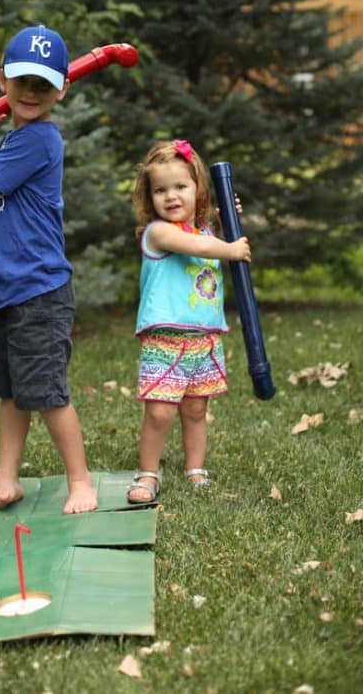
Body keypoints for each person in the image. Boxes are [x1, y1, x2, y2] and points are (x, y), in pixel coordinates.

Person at [0, 25, 97, 515]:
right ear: (3, 79)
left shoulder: (38, 140)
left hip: (38, 289)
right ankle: (7, 479)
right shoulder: (16, 138)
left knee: (48, 393)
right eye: (22, 82)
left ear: (62, 88)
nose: (31, 93)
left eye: (43, 85)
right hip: (7, 289)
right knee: (10, 393)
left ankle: (81, 483)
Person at [127, 139, 251, 504]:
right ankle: (148, 473)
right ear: (149, 198)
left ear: (198, 188)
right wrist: (230, 248)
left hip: (205, 340)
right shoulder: (159, 232)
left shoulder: (206, 233)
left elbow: (206, 241)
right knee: (160, 412)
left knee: (197, 409)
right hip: (166, 339)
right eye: (160, 190)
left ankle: (195, 470)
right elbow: (199, 249)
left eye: (180, 186)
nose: (170, 196)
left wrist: (228, 217)